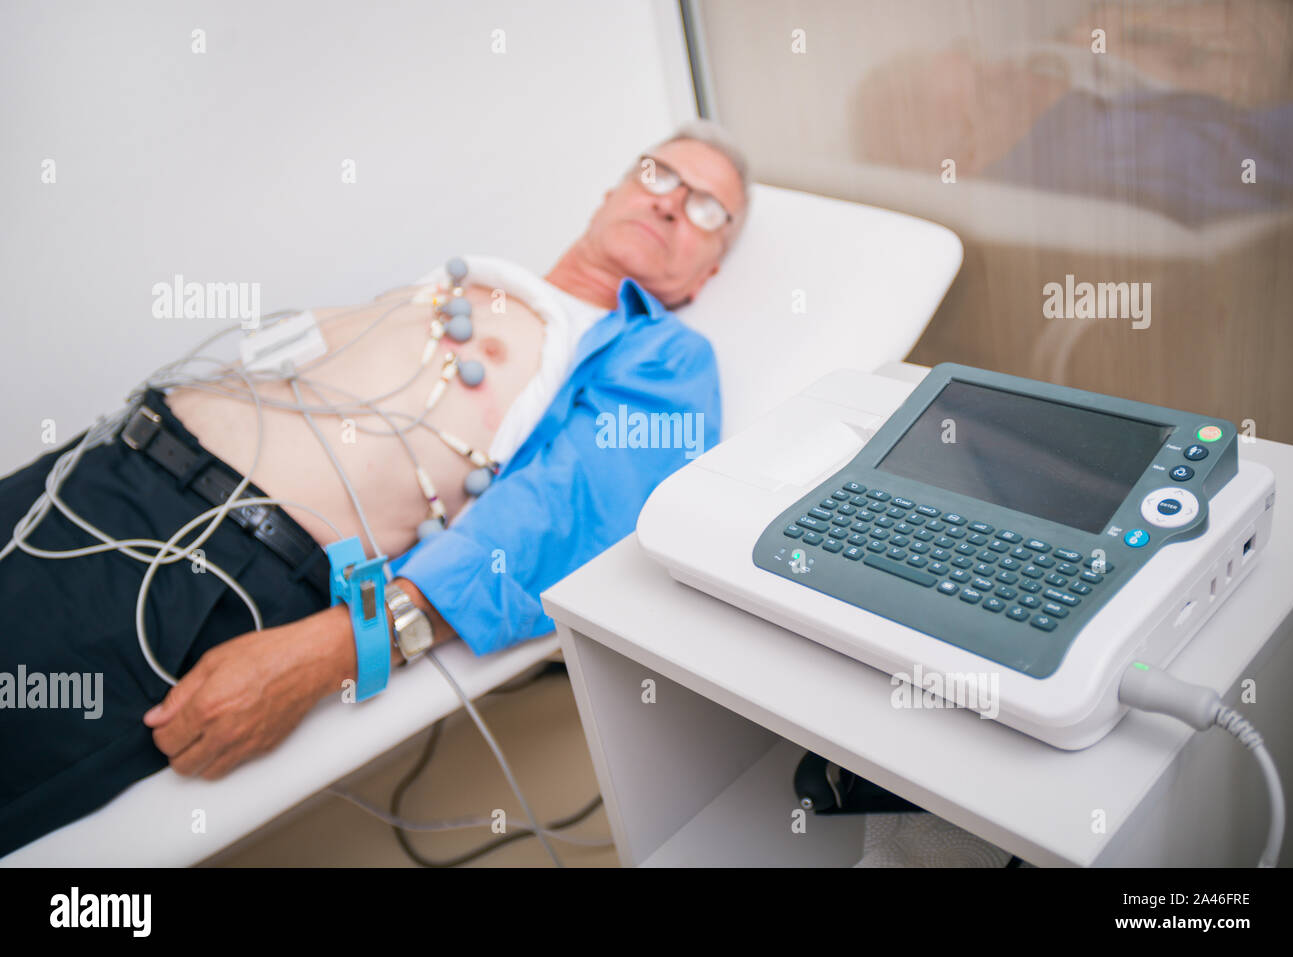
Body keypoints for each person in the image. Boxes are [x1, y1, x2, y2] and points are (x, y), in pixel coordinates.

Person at [0, 120, 751, 856]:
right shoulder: (466, 282)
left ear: (709, 273)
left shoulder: (660, 356)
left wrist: (336, 647)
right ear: (610, 191)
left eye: (707, 209)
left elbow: (558, 516)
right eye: (658, 175)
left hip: (197, 560)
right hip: (96, 462)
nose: (669, 202)